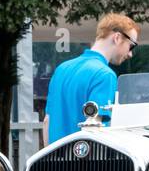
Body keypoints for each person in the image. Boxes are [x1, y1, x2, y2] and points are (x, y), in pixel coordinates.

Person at [42, 14, 139, 144]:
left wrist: (49, 160)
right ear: (117, 38)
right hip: (85, 162)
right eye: (131, 46)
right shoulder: (105, 75)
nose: (130, 54)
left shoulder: (61, 69)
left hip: (53, 161)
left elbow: (47, 122)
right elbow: (95, 130)